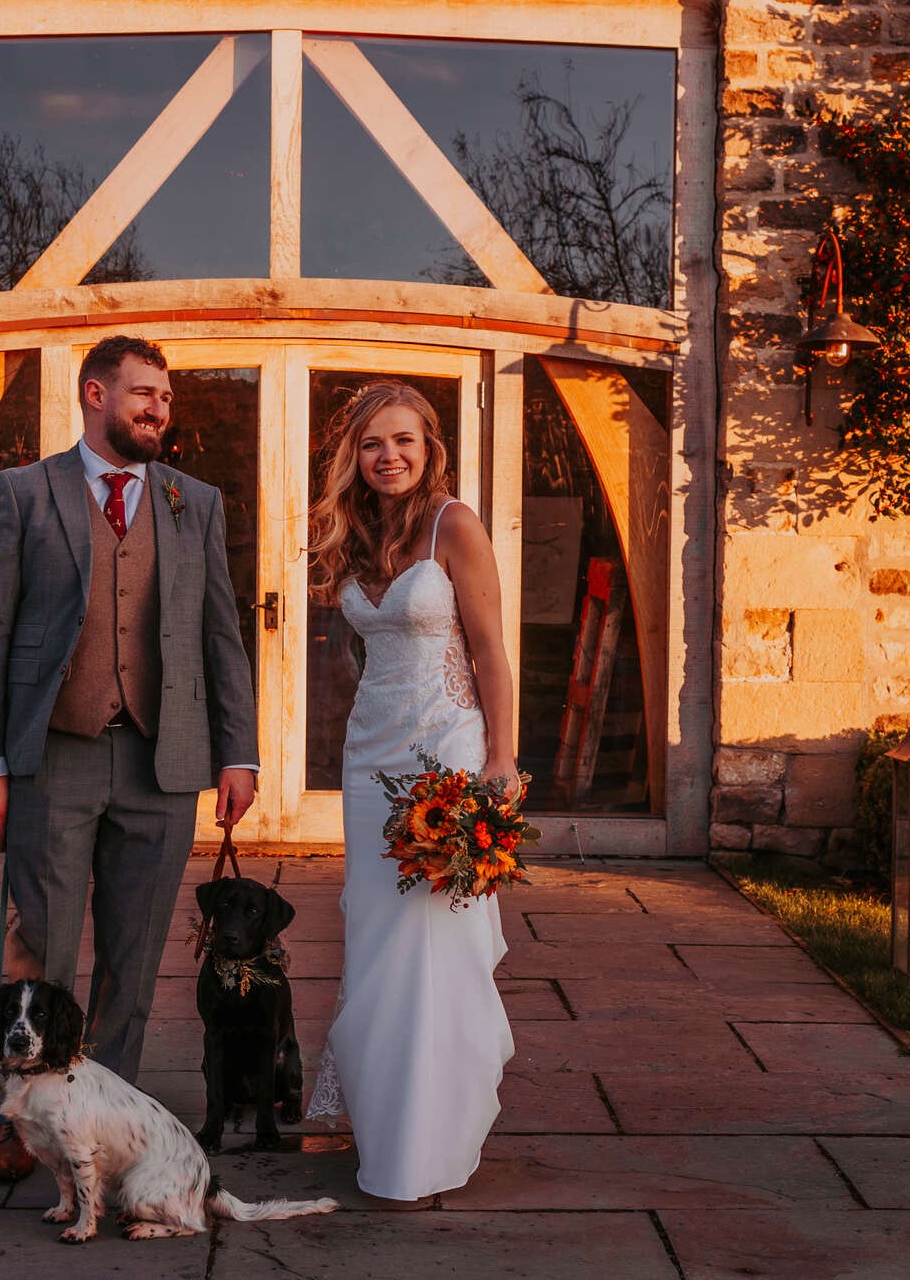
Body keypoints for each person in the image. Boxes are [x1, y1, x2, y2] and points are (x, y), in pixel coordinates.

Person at [0, 334, 259, 1182]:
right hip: (53, 755)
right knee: (41, 944)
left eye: (165, 397)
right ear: (95, 394)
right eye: (142, 394)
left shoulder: (192, 501)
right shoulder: (24, 493)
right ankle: (22, 1123)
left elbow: (218, 633)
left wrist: (239, 752)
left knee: (134, 953)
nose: (158, 409)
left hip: (164, 761)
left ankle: (107, 1120)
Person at [303, 379, 517, 1201]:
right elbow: (365, 650)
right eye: (370, 444)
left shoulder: (452, 524)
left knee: (435, 944)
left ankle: (430, 1142)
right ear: (352, 457)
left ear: (431, 447)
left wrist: (501, 760)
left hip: (446, 753)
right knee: (377, 940)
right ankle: (386, 1122)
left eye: (403, 441)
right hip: (370, 760)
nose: (387, 456)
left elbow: (493, 652)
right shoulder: (356, 533)